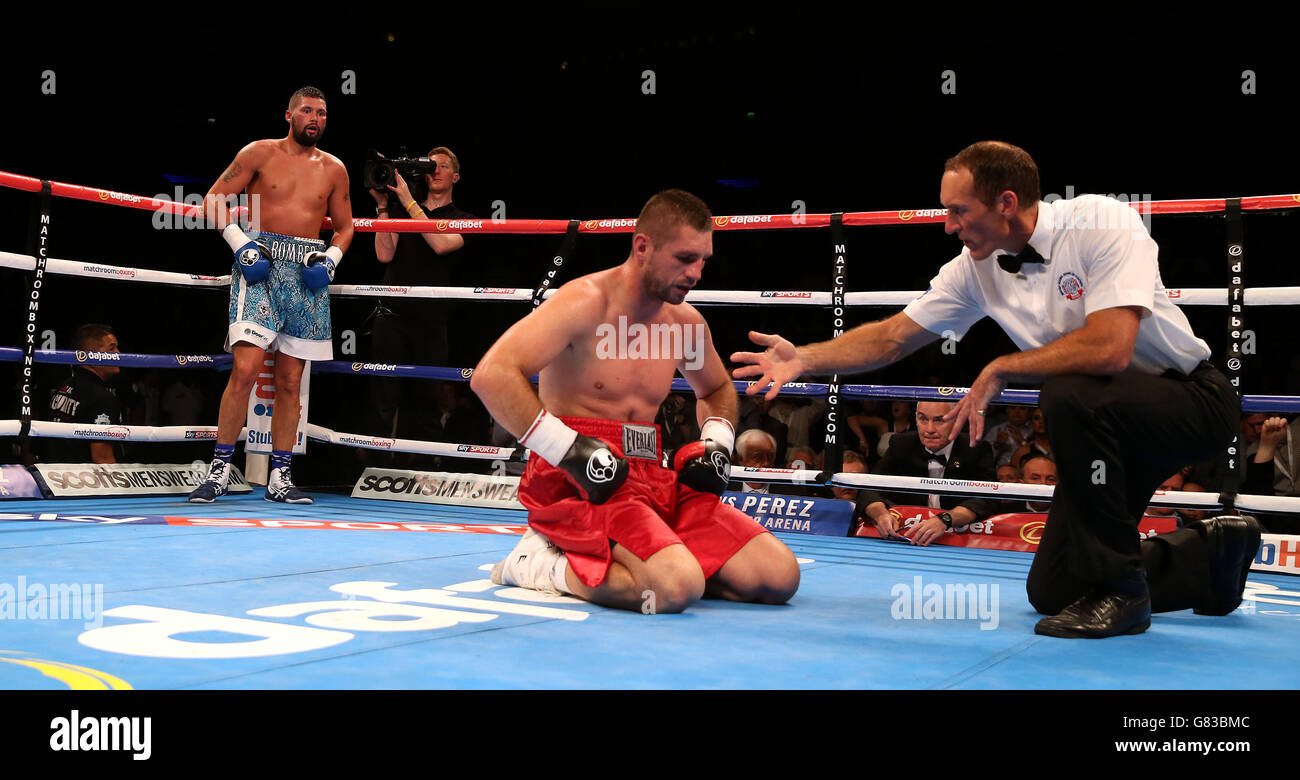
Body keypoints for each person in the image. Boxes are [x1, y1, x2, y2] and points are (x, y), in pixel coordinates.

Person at [733, 140, 1259, 638]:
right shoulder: (975, 268)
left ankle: (1124, 594)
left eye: (959, 210)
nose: (948, 225)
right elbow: (894, 337)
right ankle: (1209, 555)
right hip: (1110, 427)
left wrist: (1002, 365)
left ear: (1006, 202)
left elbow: (1110, 348)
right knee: (1055, 591)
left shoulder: (1100, 221)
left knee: (1067, 392)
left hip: (1188, 402)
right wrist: (805, 357)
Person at [471, 189, 799, 614]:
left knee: (778, 577)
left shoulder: (684, 324)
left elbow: (715, 390)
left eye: (703, 260)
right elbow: (491, 375)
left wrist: (716, 443)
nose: (697, 272)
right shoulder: (585, 302)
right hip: (576, 484)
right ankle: (533, 563)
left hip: (649, 475)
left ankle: (658, 562)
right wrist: (568, 450)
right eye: (685, 258)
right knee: (673, 589)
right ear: (642, 246)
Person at [189, 86, 354, 504]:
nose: (314, 118)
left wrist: (330, 259)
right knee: (244, 371)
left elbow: (345, 227)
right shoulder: (258, 153)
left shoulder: (335, 168)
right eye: (306, 111)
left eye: (321, 112)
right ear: (288, 115)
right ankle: (219, 471)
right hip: (259, 262)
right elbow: (213, 200)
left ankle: (280, 477)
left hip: (307, 270)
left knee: (290, 381)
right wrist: (240, 244)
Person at [366, 147, 473, 452]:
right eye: (430, 166)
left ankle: (424, 472)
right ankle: (370, 469)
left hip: (430, 320)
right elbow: (383, 254)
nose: (435, 171)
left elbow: (440, 243)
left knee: (427, 396)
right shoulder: (404, 210)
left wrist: (408, 202)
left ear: (455, 176)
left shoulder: (463, 219)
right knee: (383, 395)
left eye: (442, 166)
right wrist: (385, 208)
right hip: (393, 315)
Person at [850, 400, 999, 545]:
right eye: (923, 419)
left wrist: (946, 519)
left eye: (939, 420)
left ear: (957, 420)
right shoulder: (901, 444)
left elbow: (987, 498)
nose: (929, 429)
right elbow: (869, 489)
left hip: (958, 539)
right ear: (915, 418)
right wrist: (880, 514)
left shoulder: (974, 448)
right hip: (908, 538)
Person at [43, 324, 124, 464]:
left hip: (57, 477)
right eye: (112, 348)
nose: (118, 353)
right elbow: (103, 460)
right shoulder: (102, 398)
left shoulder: (64, 387)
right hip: (86, 482)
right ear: (91, 353)